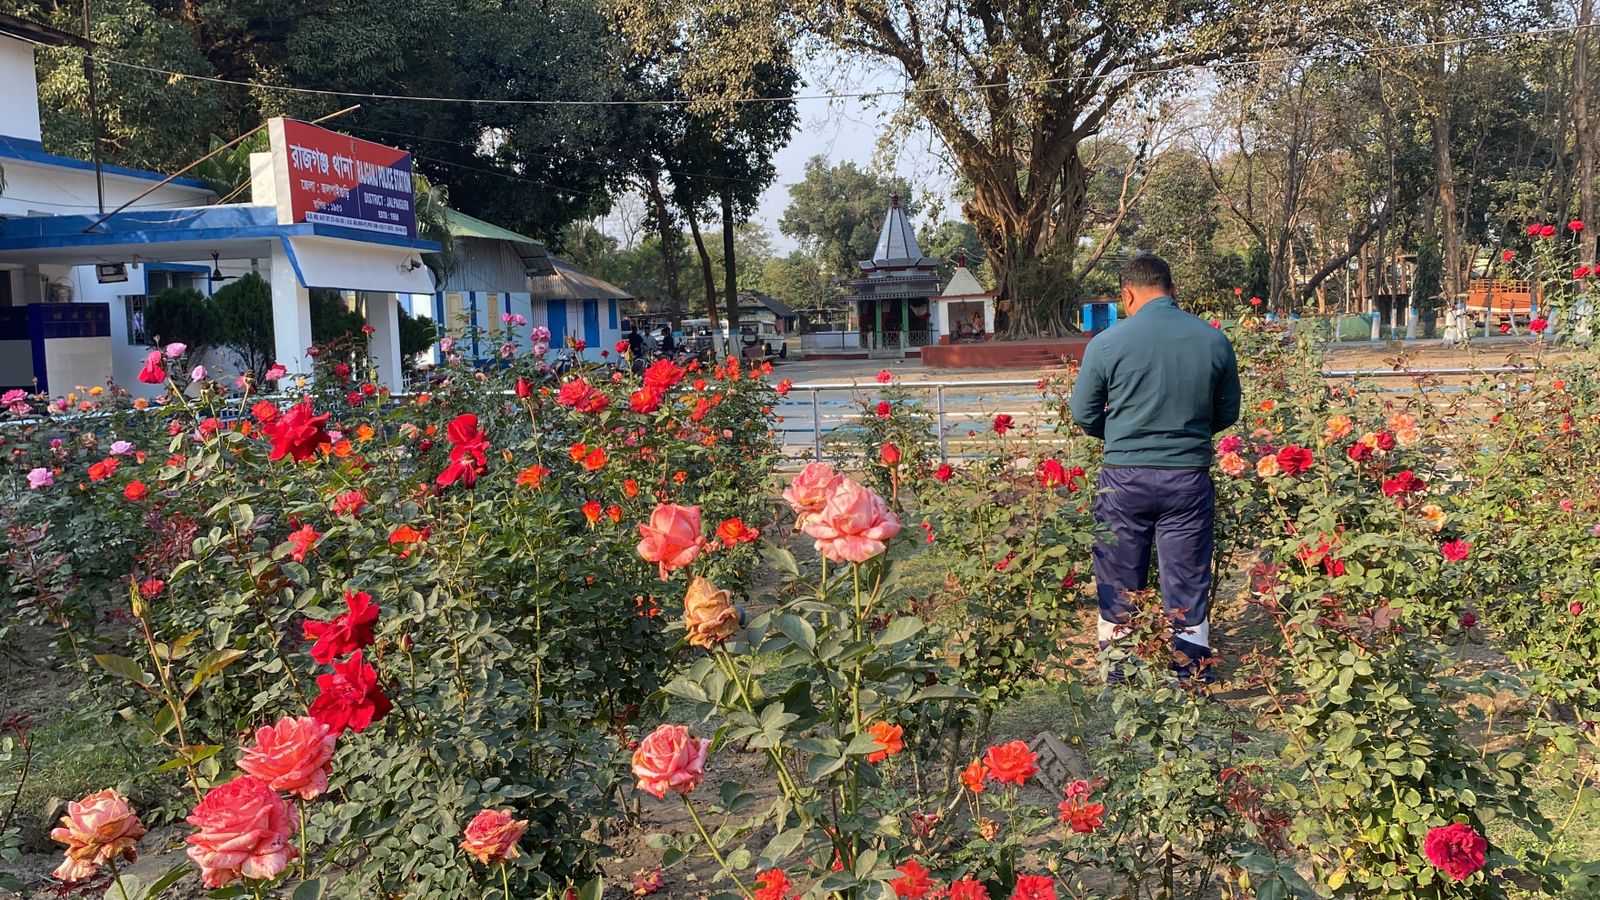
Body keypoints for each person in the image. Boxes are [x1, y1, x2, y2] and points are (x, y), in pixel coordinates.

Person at [1068, 253, 1241, 682]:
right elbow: (1227, 412)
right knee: (1186, 579)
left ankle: (1120, 672)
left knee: (1117, 575)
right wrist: (1187, 432)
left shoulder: (1107, 344)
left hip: (1123, 479)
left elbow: (1084, 413)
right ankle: (1190, 672)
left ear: (1126, 295)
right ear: (1172, 290)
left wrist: (1124, 435)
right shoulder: (1213, 340)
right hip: (1187, 476)